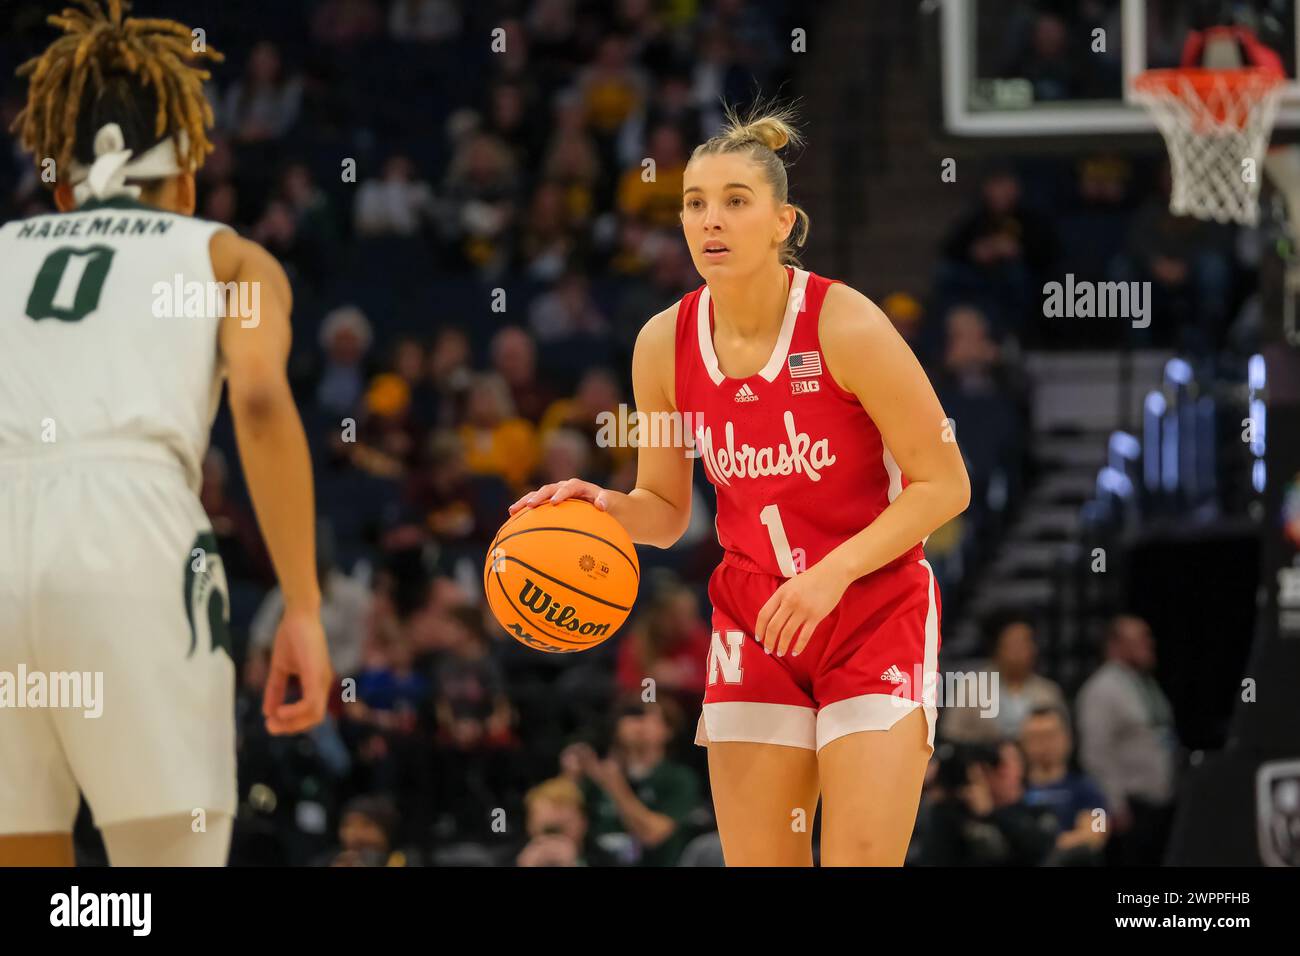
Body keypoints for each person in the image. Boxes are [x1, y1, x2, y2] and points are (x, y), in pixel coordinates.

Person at [512, 101, 971, 865]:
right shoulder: (662, 344)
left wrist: (830, 576)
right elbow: (664, 511)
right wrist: (604, 509)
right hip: (755, 620)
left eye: (734, 202)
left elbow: (944, 484)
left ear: (784, 221)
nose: (709, 221)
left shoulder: (844, 325)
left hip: (871, 608)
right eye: (695, 204)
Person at [0, 1, 331, 866]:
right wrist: (300, 605)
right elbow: (258, 397)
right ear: (187, 178)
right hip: (132, 532)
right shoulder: (227, 255)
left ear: (61, 184)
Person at [1076, 614, 1179, 865]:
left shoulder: (1143, 682)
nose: (1149, 644)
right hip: (1130, 809)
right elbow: (1095, 753)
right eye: (1140, 640)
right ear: (1116, 646)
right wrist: (1114, 803)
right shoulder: (1102, 689)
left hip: (1159, 803)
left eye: (1148, 638)